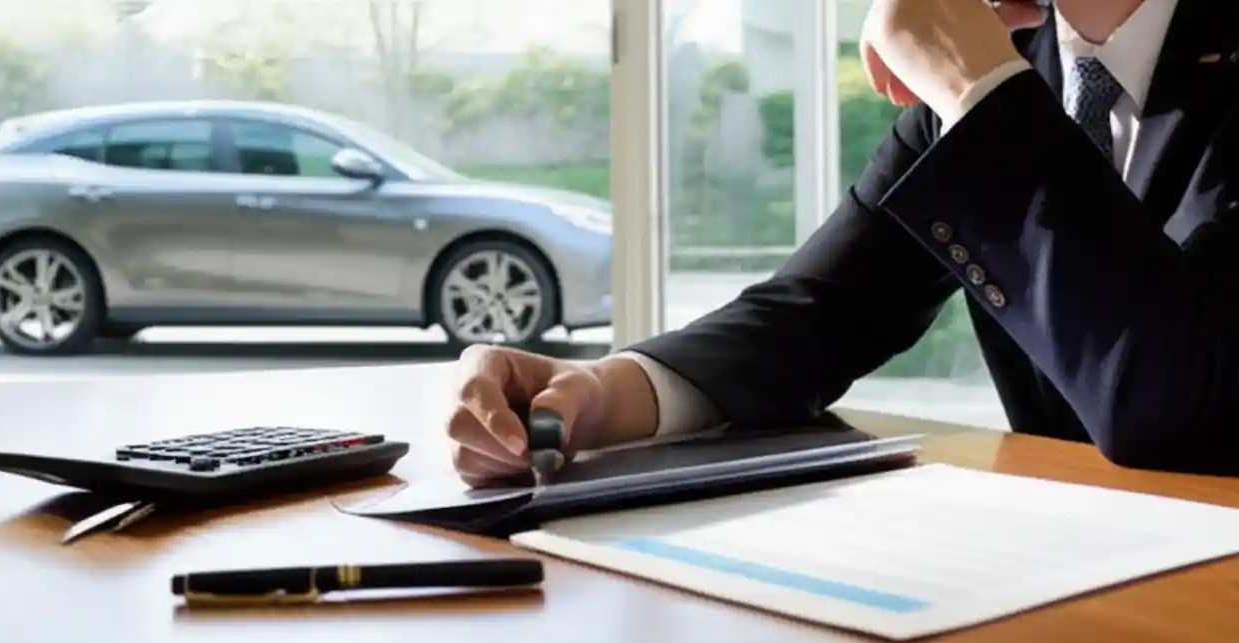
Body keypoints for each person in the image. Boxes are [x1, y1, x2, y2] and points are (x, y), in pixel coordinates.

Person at [447, 0, 1239, 484]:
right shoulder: (1004, 62)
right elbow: (823, 309)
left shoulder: (982, 75)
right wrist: (605, 392)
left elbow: (1172, 404)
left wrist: (977, 85)